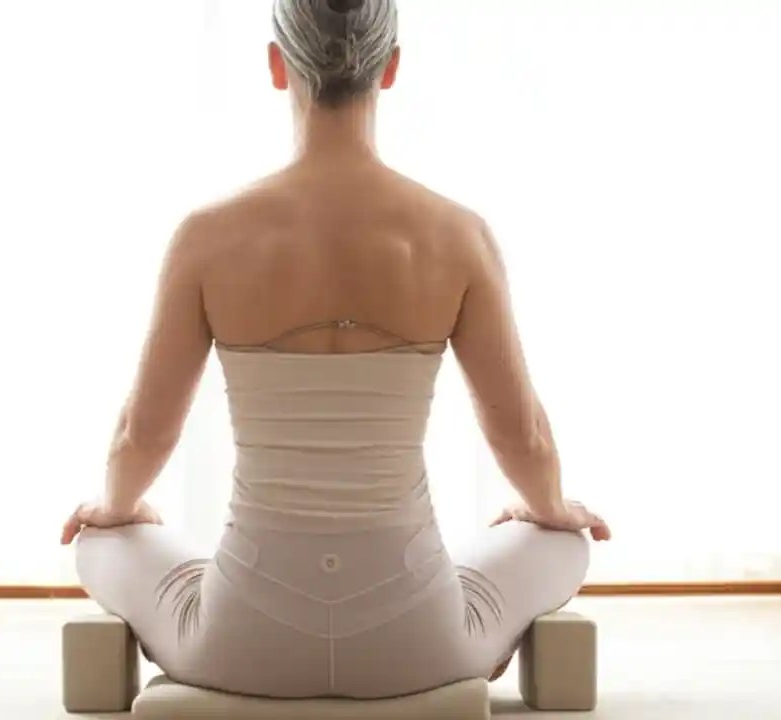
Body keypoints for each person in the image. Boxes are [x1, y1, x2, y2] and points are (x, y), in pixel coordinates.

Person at [61, 0, 611, 700]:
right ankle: (480, 622)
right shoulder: (456, 235)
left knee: (99, 541)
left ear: (273, 64)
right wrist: (548, 508)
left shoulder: (207, 236)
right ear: (391, 68)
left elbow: (144, 432)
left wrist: (117, 506)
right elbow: (522, 436)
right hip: (419, 638)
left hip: (240, 639)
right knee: (561, 540)